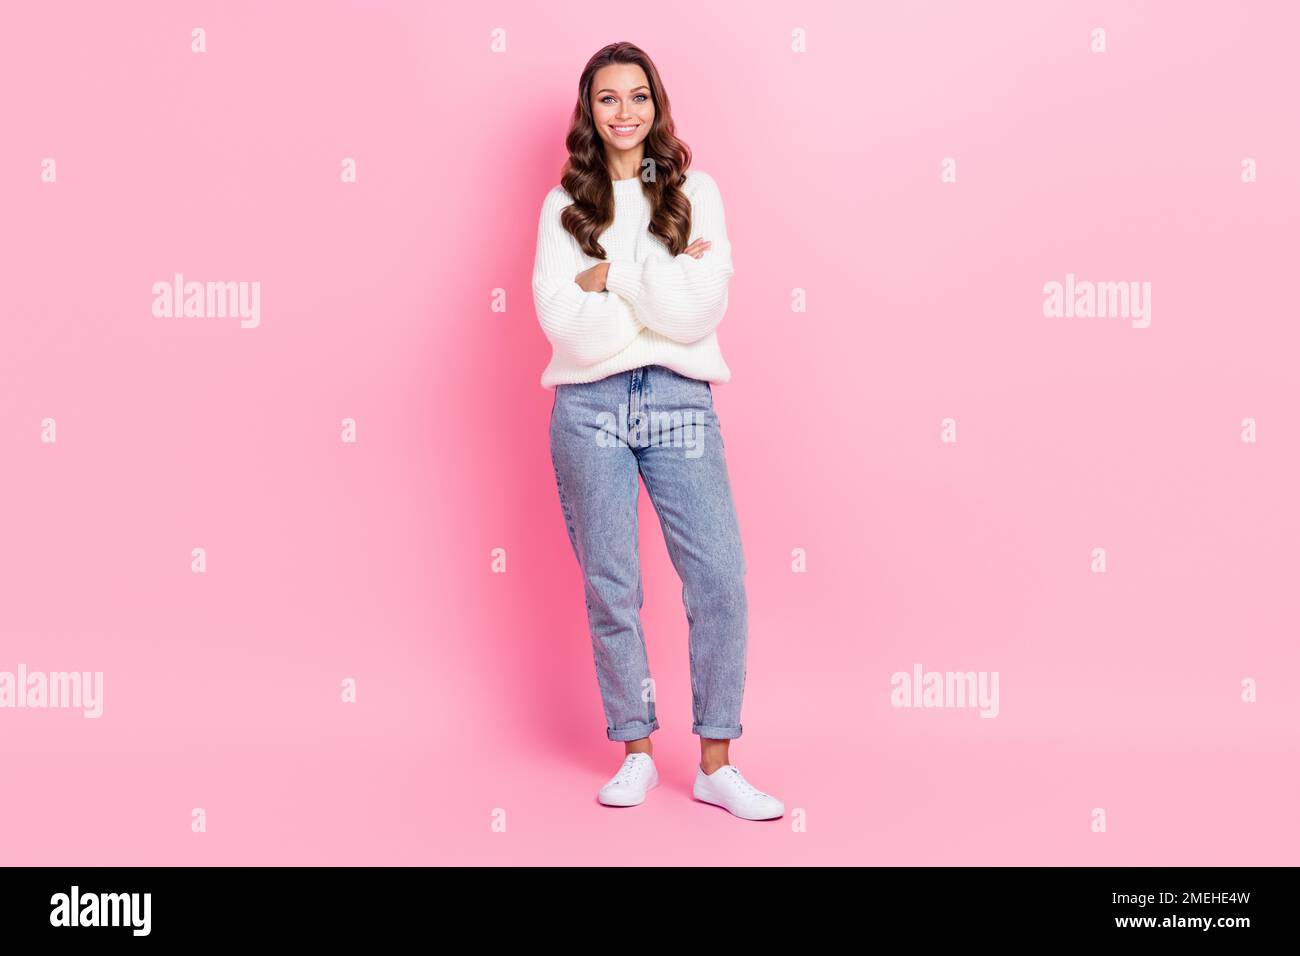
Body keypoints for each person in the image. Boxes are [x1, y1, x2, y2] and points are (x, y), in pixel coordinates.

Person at [532, 41, 783, 821]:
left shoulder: (691, 190)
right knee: (613, 587)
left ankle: (716, 762)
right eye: (608, 99)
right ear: (589, 110)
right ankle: (635, 750)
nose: (624, 112)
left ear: (656, 102)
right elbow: (568, 332)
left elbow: (697, 311)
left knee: (719, 580)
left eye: (637, 96)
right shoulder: (562, 205)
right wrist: (658, 288)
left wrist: (612, 277)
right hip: (589, 406)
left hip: (680, 401)